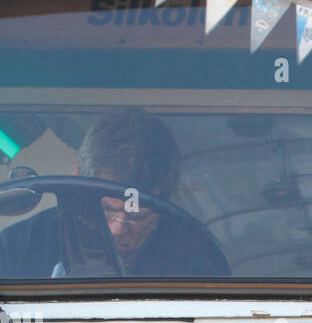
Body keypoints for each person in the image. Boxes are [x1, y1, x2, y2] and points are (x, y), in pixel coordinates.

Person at [0, 109, 229, 278]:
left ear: (166, 200)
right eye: (105, 209)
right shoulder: (15, 248)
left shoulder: (197, 262)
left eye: (137, 215)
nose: (117, 229)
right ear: (77, 176)